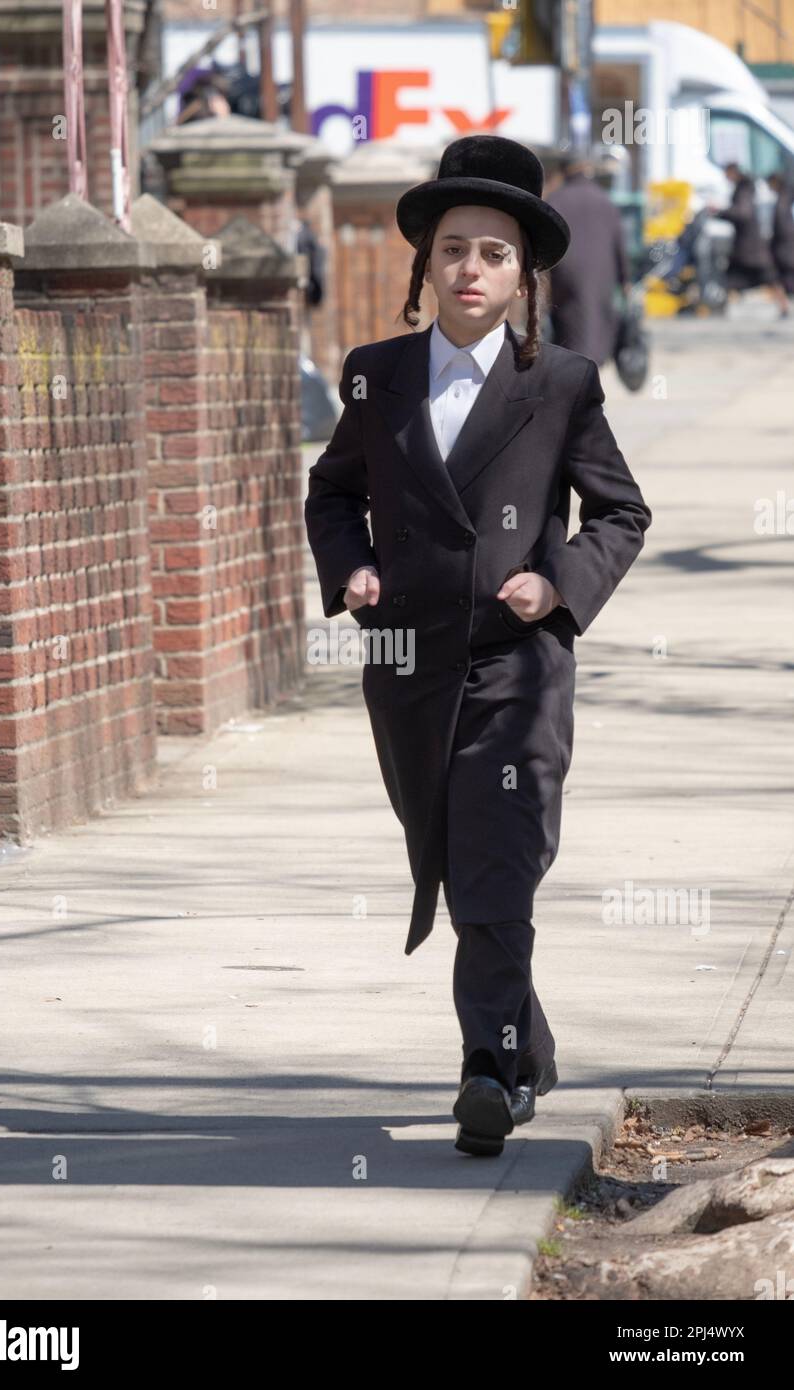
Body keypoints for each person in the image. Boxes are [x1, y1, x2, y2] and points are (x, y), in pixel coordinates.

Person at [304, 135, 652, 1157]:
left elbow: (620, 512)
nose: (471, 269)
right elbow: (332, 492)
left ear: (522, 274)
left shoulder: (563, 383)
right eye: (453, 248)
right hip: (408, 668)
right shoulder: (374, 375)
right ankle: (526, 1046)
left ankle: (488, 1071)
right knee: (458, 867)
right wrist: (353, 570)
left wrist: (559, 584)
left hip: (518, 664)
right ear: (425, 265)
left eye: (494, 253)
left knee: (500, 859)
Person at [544, 154, 631, 367]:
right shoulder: (605, 200)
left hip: (565, 271)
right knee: (597, 321)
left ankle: (577, 369)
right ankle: (592, 367)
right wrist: (624, 278)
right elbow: (619, 242)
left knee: (571, 324)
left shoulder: (556, 199)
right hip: (603, 272)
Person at [714, 162, 788, 315]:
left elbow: (743, 213)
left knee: (768, 276)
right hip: (748, 244)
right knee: (734, 276)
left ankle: (783, 305)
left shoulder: (744, 189)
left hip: (750, 245)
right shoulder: (746, 187)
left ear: (733, 172)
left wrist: (720, 212)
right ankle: (722, 307)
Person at [767, 170, 794, 313]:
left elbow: (782, 226)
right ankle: (783, 306)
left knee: (778, 277)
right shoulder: (784, 197)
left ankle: (784, 306)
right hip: (784, 246)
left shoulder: (783, 199)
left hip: (785, 247)